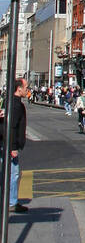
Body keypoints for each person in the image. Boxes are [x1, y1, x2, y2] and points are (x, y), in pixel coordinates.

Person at [6, 77, 28, 213]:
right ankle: (11, 202)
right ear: (19, 88)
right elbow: (12, 127)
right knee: (13, 174)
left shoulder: (12, 102)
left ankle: (10, 200)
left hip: (8, 143)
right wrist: (13, 147)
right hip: (10, 145)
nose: (27, 90)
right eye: (26, 87)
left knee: (9, 173)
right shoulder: (15, 105)